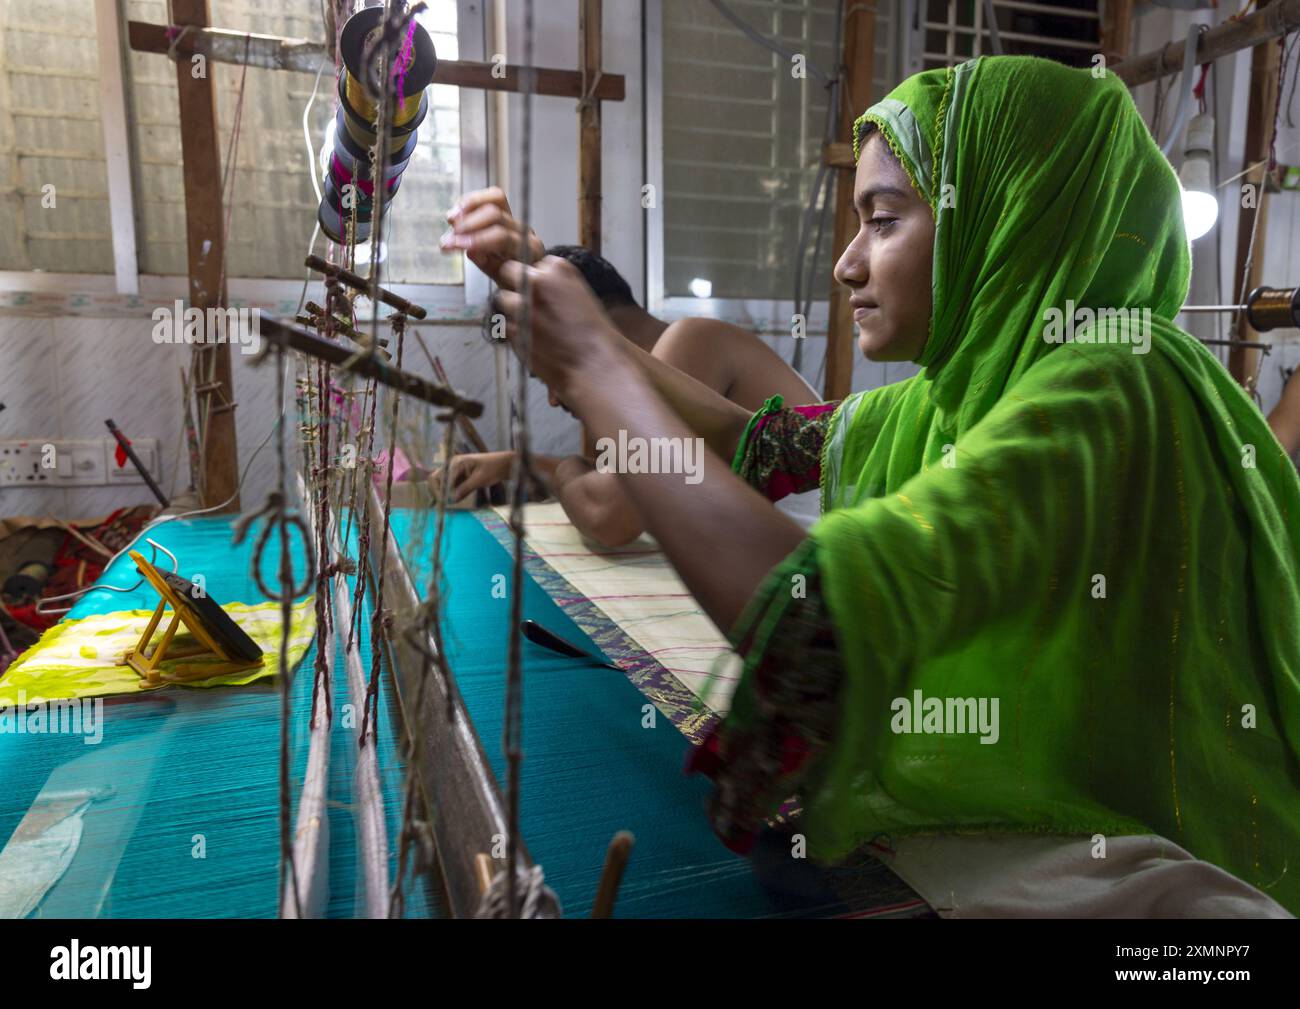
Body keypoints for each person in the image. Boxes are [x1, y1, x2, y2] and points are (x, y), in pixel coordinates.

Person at [444, 56, 1300, 914]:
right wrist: (585, 331)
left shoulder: (1118, 386)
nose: (848, 264)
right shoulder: (958, 395)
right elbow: (755, 441)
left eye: (884, 221)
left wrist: (595, 367)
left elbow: (814, 623)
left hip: (1204, 868)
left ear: (1006, 215)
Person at [434, 225, 819, 543]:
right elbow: (620, 485)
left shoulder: (694, 341)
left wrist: (569, 465)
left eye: (547, 372)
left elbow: (607, 515)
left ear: (580, 317)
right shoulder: (685, 357)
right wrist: (516, 463)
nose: (553, 397)